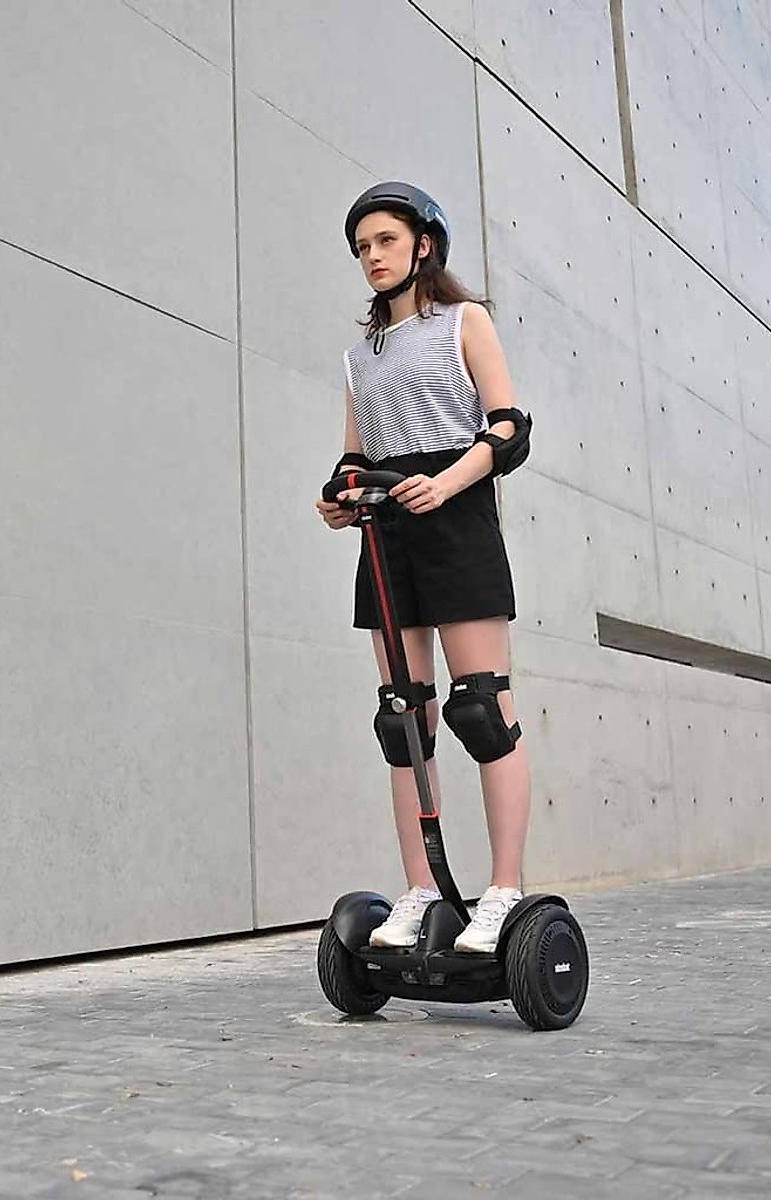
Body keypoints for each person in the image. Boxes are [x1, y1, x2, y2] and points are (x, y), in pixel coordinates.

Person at [316, 181, 534, 954]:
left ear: (424, 244)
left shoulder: (464, 322)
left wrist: (444, 484)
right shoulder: (359, 358)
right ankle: (421, 891)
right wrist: (340, 498)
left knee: (482, 709)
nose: (372, 257)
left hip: (457, 523)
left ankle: (503, 891)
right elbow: (353, 456)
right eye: (362, 247)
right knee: (403, 720)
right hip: (387, 535)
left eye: (385, 240)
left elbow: (507, 430)